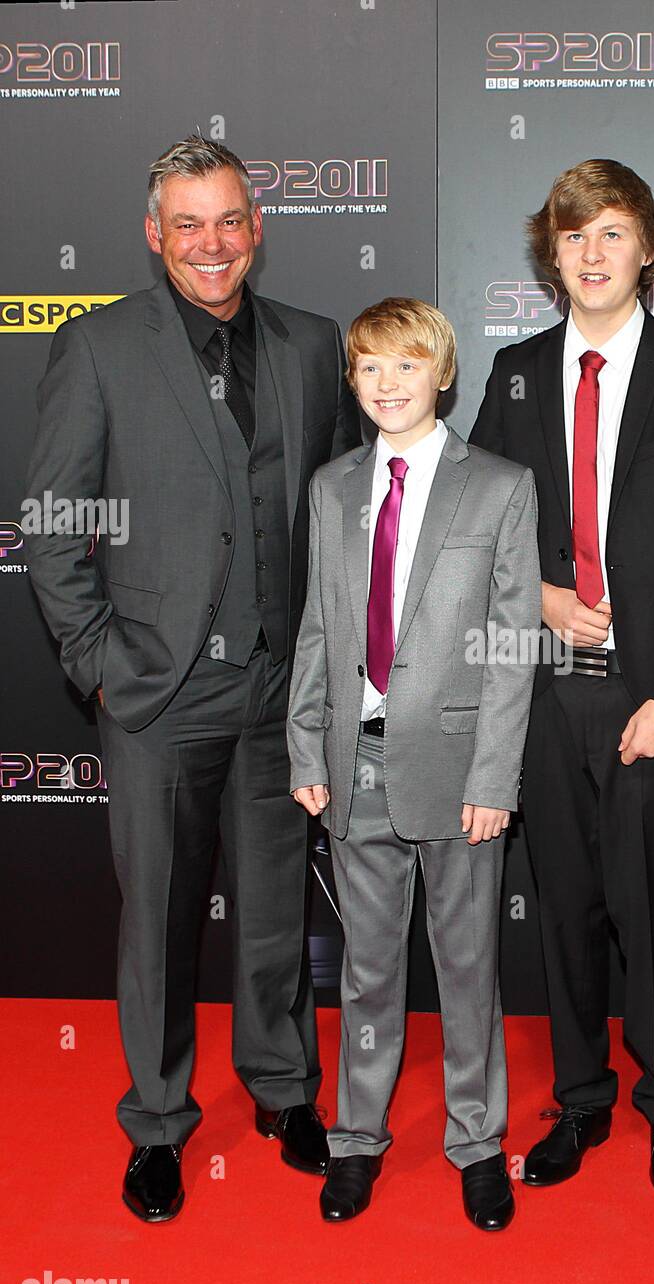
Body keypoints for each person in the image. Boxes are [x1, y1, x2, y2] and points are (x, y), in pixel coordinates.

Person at [24, 136, 361, 1222]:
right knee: (159, 922)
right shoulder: (98, 348)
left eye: (229, 221)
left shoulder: (316, 347)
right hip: (156, 696)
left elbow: (352, 511)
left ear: (256, 227)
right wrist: (100, 670)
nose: (210, 245)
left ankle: (281, 1090)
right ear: (152, 232)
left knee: (273, 912)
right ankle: (160, 1121)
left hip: (281, 691)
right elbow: (56, 525)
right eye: (188, 224)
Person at [470, 159, 654, 1197]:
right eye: (572, 235)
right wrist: (539, 594)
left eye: (612, 233)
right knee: (565, 909)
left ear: (647, 250)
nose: (591, 254)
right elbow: (482, 534)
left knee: (649, 913)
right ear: (552, 255)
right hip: (545, 693)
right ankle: (578, 1101)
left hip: (651, 701)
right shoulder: (514, 373)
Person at [288, 298, 541, 1230]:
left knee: (468, 966)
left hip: (459, 765)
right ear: (352, 382)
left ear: (442, 373)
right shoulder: (332, 487)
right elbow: (319, 626)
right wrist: (306, 743)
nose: (386, 385)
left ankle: (477, 1143)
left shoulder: (500, 486)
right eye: (368, 369)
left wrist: (494, 778)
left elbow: (515, 647)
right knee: (366, 971)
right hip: (356, 765)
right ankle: (357, 1139)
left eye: (405, 366)